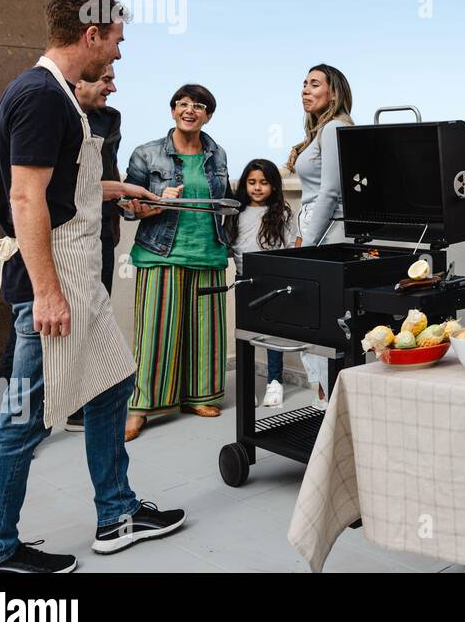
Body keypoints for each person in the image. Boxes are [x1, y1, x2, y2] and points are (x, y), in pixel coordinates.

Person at [0, 0, 184, 573]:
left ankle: (117, 515)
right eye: (116, 37)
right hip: (54, 282)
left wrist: (121, 191)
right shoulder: (42, 95)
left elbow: (65, 188)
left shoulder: (58, 96)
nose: (120, 48)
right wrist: (46, 293)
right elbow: (25, 197)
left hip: (79, 280)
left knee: (113, 382)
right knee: (24, 420)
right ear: (91, 35)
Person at [123, 84, 231, 440]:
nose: (190, 110)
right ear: (172, 111)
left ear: (208, 116)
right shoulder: (146, 154)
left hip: (209, 252)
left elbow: (222, 203)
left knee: (205, 334)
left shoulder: (218, 155)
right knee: (155, 333)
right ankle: (141, 407)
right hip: (160, 253)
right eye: (183, 104)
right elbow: (126, 207)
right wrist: (155, 200)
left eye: (199, 106)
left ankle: (200, 396)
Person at [286, 64, 352, 403]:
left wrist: (306, 247)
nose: (305, 90)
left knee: (319, 323)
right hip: (316, 230)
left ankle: (330, 403)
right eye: (304, 84)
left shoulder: (334, 129)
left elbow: (329, 194)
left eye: (314, 84)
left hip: (328, 234)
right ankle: (328, 401)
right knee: (316, 322)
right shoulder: (320, 132)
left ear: (333, 92)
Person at [61, 64, 122, 433]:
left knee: (96, 318)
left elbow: (107, 172)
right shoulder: (51, 110)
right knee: (37, 331)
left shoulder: (109, 118)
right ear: (77, 78)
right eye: (106, 79)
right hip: (60, 236)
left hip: (100, 230)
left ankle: (80, 405)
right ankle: (24, 420)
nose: (113, 87)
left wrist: (120, 207)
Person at [228, 159, 299, 407]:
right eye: (252, 182)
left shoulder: (282, 213)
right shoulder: (236, 214)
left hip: (273, 282)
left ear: (274, 186)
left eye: (264, 183)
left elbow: (291, 247)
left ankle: (274, 382)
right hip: (244, 279)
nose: (257, 188)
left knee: (273, 334)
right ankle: (247, 386)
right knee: (246, 333)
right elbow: (232, 246)